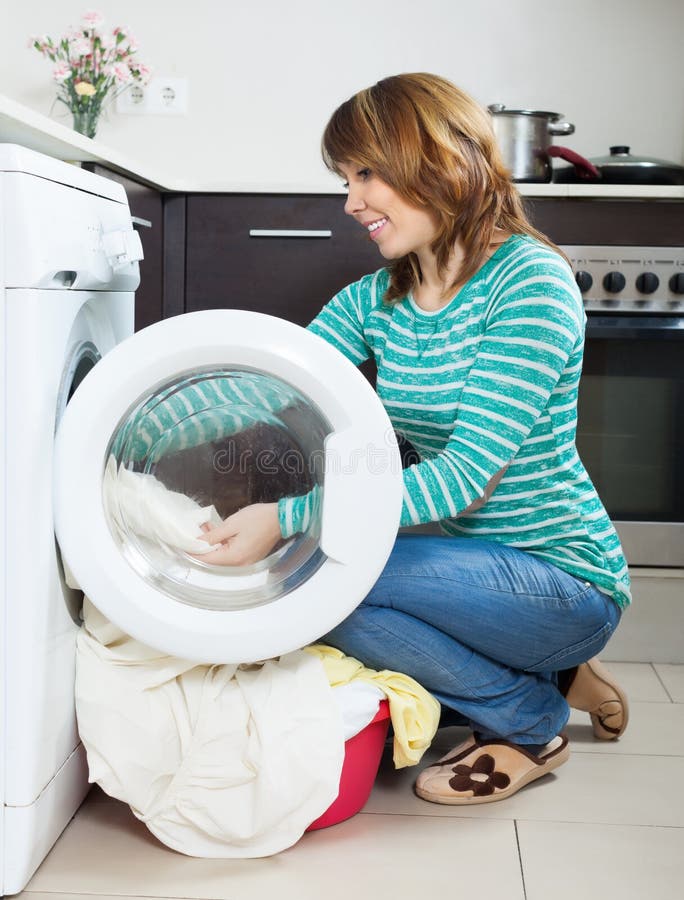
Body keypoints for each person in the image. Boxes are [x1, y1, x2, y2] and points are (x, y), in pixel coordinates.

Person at [199, 73, 631, 804]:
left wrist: (289, 518)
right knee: (331, 572)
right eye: (345, 178)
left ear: (437, 159)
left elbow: (464, 476)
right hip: (468, 573)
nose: (351, 201)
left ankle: (529, 718)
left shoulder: (528, 283)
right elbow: (277, 387)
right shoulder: (381, 296)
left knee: (331, 579)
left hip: (563, 581)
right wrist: (136, 406)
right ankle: (544, 673)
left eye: (367, 172)